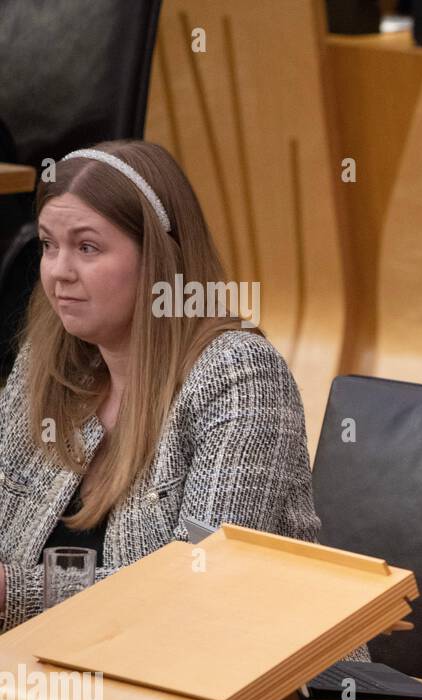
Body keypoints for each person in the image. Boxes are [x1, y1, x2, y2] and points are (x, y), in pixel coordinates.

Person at [0, 139, 323, 633]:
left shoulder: (239, 376)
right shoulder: (44, 365)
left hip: (248, 691)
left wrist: (13, 593)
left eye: (87, 247)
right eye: (48, 245)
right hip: (52, 674)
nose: (59, 272)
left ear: (159, 261)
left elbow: (200, 586)